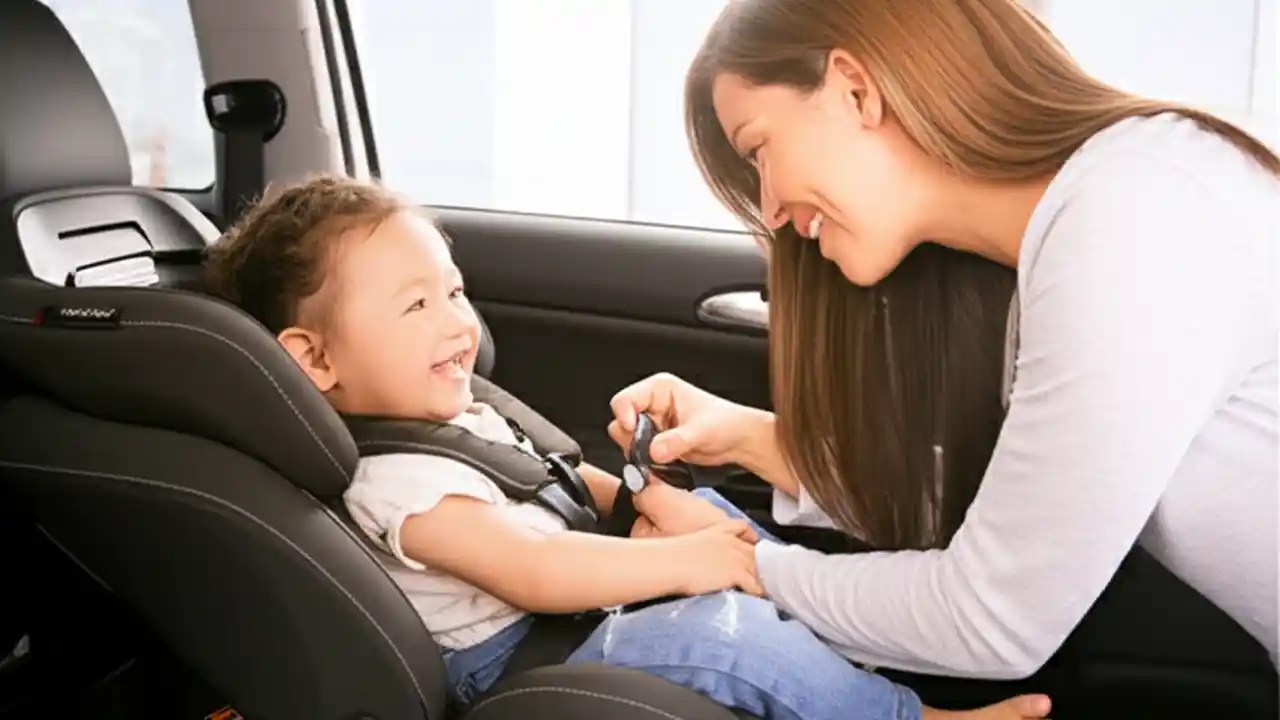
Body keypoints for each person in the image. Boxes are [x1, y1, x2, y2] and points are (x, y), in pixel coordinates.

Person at [202, 175, 1052, 720]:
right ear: (313, 358)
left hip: (571, 605)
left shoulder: (461, 417)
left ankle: (850, 651)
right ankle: (911, 719)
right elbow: (532, 572)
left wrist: (646, 499)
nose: (458, 320)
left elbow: (562, 484)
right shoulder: (393, 483)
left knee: (717, 520)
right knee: (727, 636)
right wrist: (686, 567)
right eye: (415, 306)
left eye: (454, 291)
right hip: (523, 655)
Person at [609, 0, 1279, 682]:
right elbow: (1026, 519)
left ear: (855, 90)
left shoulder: (1135, 218)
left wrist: (744, 563)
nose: (772, 208)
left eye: (759, 149)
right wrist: (758, 441)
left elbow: (992, 613)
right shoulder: (1082, 229)